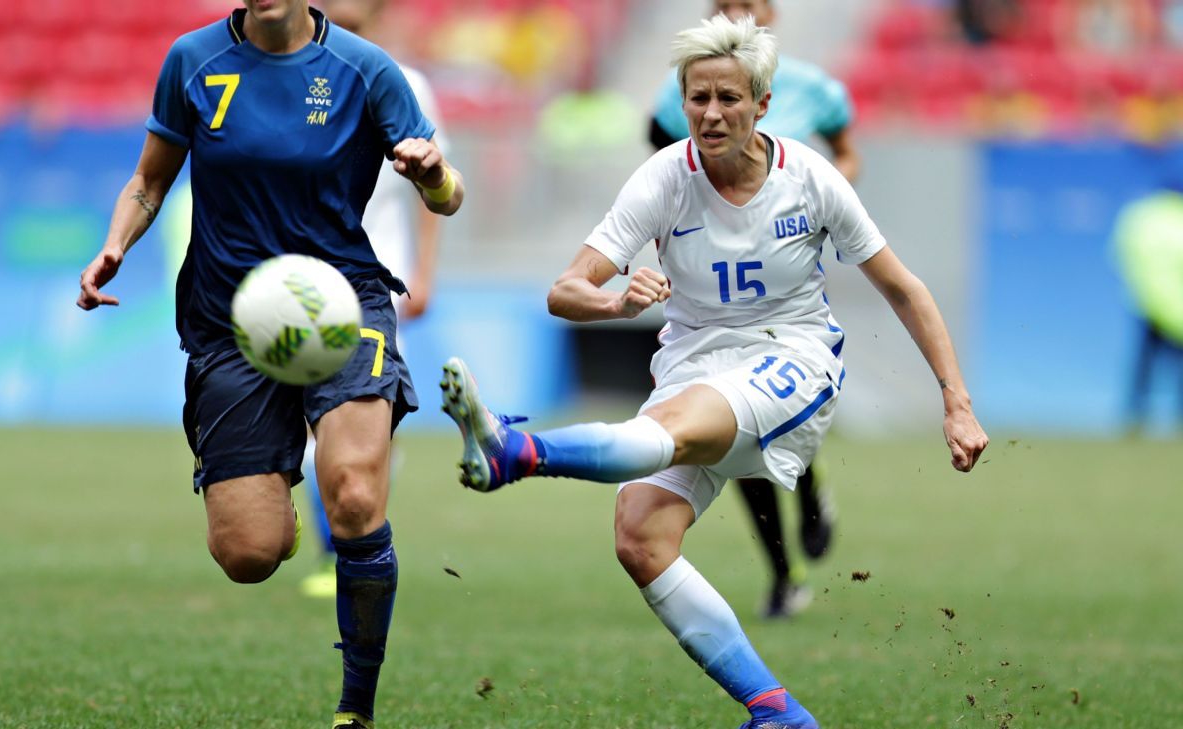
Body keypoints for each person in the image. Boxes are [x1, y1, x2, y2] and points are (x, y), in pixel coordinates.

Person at [441, 15, 987, 728]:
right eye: (698, 97)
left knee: (669, 426)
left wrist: (957, 402)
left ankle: (517, 451)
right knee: (640, 538)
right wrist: (616, 299)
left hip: (792, 356)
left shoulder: (810, 179)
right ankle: (776, 711)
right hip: (694, 359)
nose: (711, 112)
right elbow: (562, 290)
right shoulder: (664, 177)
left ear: (762, 102)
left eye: (729, 98)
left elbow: (905, 289)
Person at [75, 2, 464, 728]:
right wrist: (115, 242)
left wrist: (435, 173)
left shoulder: (365, 69)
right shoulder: (192, 62)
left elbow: (449, 195)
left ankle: (357, 707)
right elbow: (149, 180)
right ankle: (271, 495)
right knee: (248, 553)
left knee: (351, 492)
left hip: (343, 304)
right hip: (232, 319)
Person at [650, 0, 861, 619]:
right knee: (736, 439)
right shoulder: (681, 91)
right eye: (726, 4)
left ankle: (813, 489)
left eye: (750, 4)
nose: (738, 13)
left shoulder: (812, 88)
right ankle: (781, 569)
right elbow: (664, 169)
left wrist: (826, 203)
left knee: (780, 406)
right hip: (718, 293)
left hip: (786, 285)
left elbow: (846, 152)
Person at [297, 0, 450, 600]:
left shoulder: (407, 85)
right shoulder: (291, 73)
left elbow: (432, 183)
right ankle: (330, 547)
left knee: (375, 426)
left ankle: (360, 544)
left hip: (377, 281)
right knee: (315, 428)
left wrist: (425, 271)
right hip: (302, 282)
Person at [1111, 178, 1183, 432]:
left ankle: (1134, 417)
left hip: (1148, 305)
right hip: (1177, 310)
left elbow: (1122, 252)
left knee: (1143, 367)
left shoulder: (1140, 216)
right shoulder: (1178, 220)